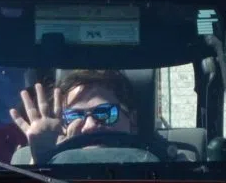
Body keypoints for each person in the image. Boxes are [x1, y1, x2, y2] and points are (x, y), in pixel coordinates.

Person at [11, 70, 182, 165]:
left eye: (105, 113)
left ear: (133, 119)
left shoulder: (169, 162)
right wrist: (42, 161)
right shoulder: (36, 161)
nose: (90, 126)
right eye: (74, 116)